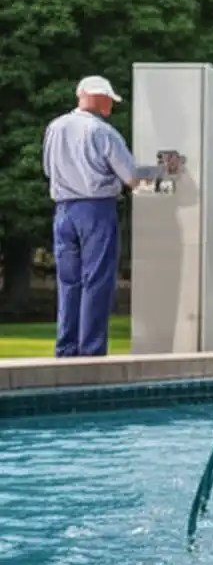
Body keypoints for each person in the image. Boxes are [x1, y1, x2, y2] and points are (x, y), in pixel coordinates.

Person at [42, 75, 143, 357]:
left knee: (68, 282)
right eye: (109, 99)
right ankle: (91, 351)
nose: (110, 104)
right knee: (97, 280)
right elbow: (132, 177)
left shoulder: (55, 127)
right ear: (99, 98)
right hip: (96, 209)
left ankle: (66, 349)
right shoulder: (103, 132)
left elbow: (49, 170)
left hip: (63, 210)